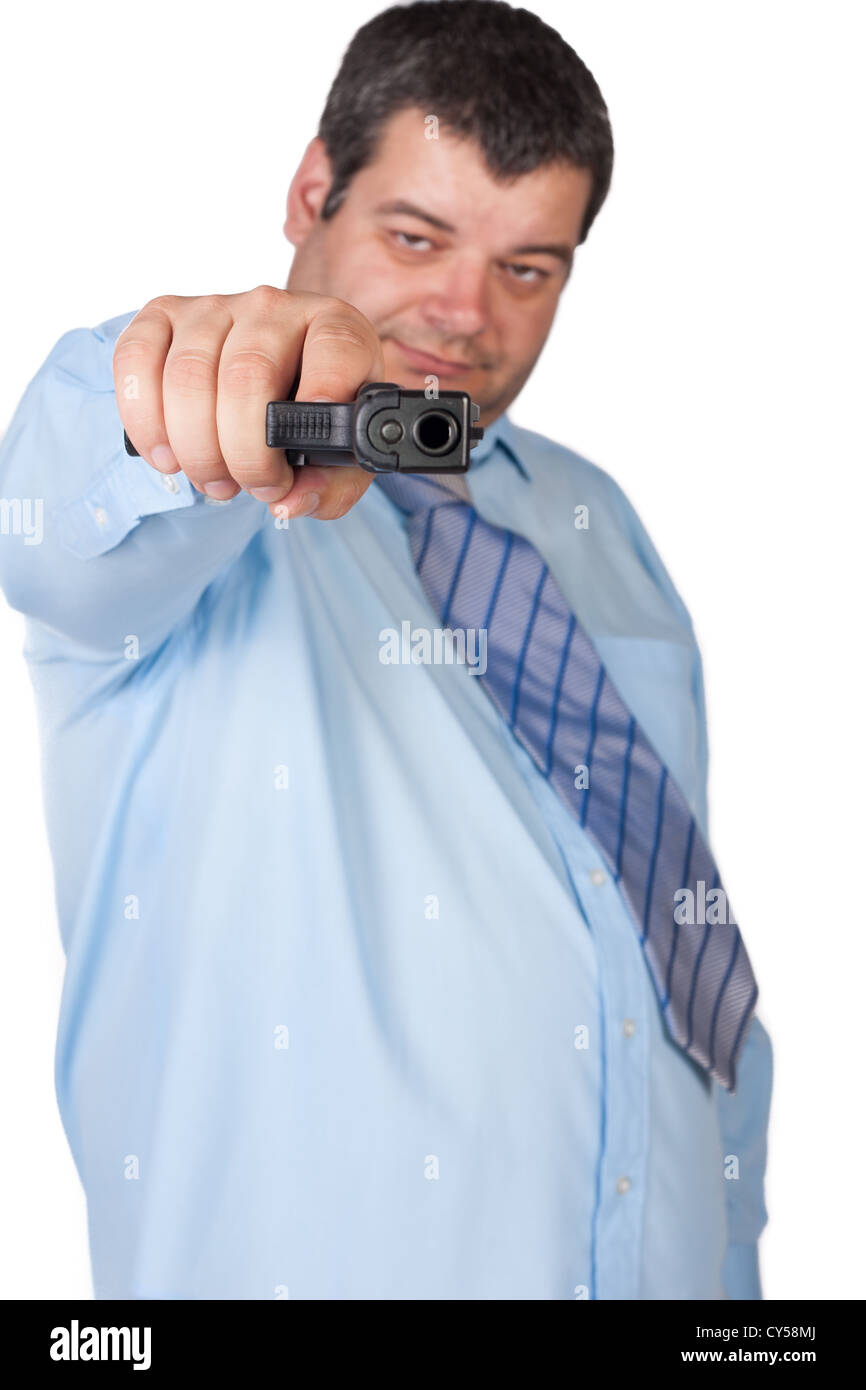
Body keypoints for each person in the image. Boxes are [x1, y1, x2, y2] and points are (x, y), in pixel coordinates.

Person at [0, 0, 772, 1300]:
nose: (462, 312)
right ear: (312, 190)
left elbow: (685, 972)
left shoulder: (598, 528)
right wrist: (193, 390)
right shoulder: (195, 507)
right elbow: (55, 521)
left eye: (527, 267)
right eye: (416, 236)